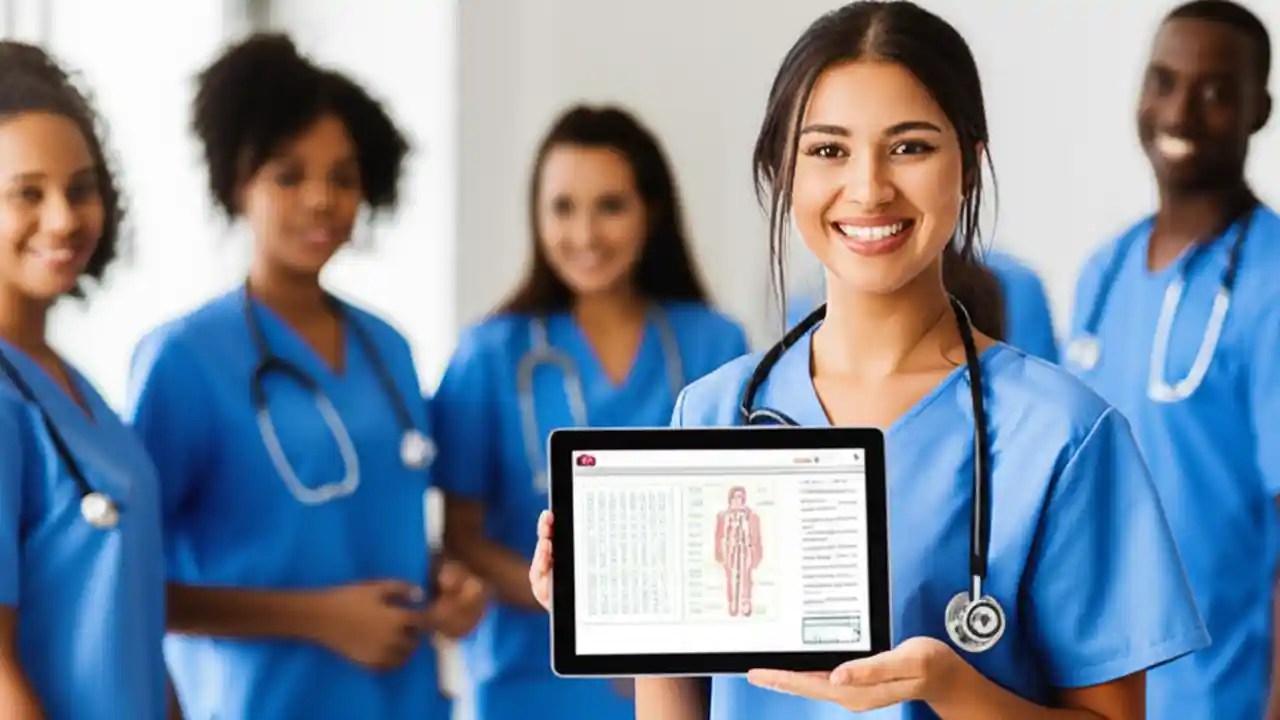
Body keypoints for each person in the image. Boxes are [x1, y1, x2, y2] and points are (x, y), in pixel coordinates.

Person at [529, 2, 1210, 718]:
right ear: (782, 170)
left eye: (910, 147)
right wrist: (621, 609)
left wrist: (951, 686)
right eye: (829, 151)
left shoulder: (1062, 436)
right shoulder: (712, 413)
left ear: (969, 166)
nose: (869, 187)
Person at [123, 34, 483, 720]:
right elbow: (133, 585)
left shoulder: (389, 348)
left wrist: (446, 584)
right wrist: (318, 618)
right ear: (238, 185)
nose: (321, 199)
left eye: (343, 178)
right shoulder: (183, 360)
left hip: (401, 702)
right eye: (288, 176)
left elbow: (373, 523)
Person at [433, 105, 749, 719]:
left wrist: (649, 633)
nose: (585, 234)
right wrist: (592, 614)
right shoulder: (489, 354)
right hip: (529, 680)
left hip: (681, 679)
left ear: (650, 212)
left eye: (610, 206)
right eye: (562, 208)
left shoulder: (715, 343)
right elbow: (463, 538)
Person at [1063, 2, 1278, 717]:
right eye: (1163, 81)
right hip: (1101, 688)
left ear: (1258, 110)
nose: (1180, 111)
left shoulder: (1271, 281)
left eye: (1215, 91)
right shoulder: (1104, 271)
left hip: (1224, 697)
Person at [0, 42, 167, 719]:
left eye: (81, 188)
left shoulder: (71, 386)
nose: (65, 219)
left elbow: (128, 620)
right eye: (27, 194)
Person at [787, 249, 1060, 362]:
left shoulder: (1014, 286)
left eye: (910, 151)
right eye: (829, 152)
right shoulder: (803, 306)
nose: (868, 193)